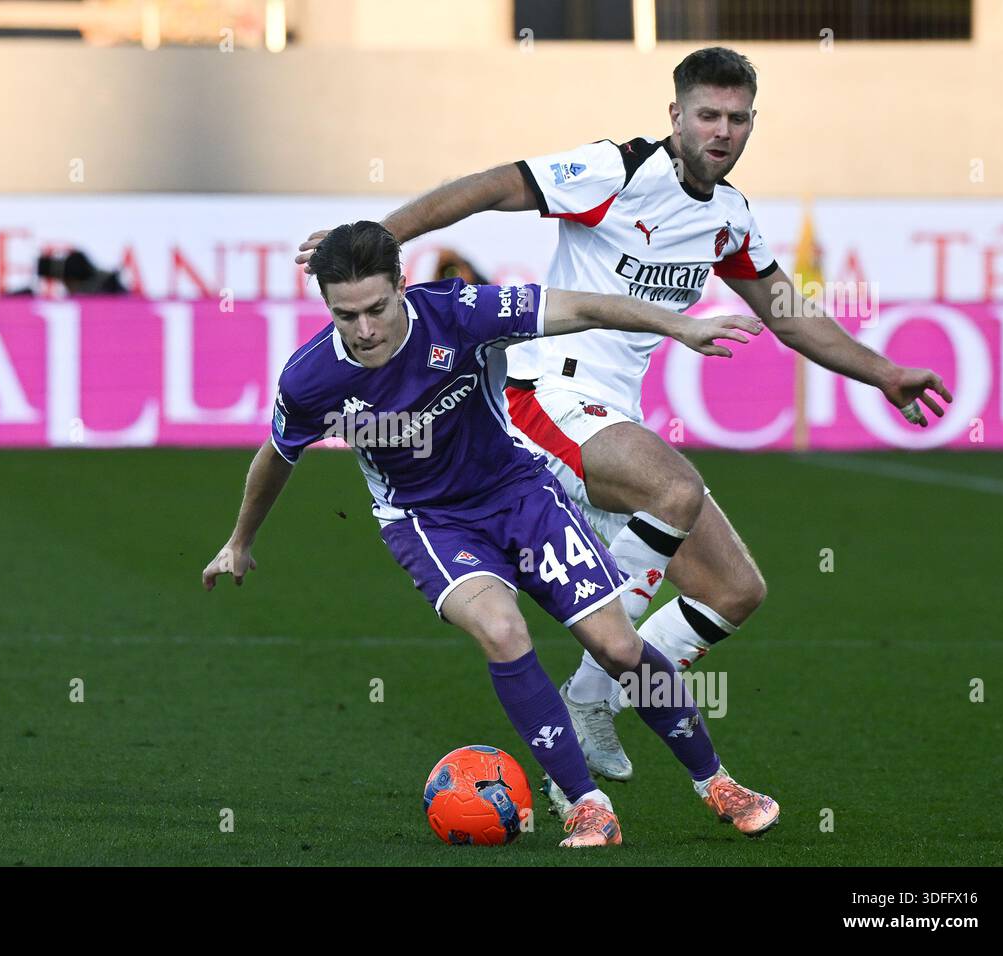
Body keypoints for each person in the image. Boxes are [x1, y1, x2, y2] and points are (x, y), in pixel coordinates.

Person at [296, 47, 952, 800]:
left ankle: (598, 694)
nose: (722, 131)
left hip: (612, 420)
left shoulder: (729, 218)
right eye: (707, 115)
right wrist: (374, 239)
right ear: (676, 115)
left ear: (751, 125)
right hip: (546, 395)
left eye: (737, 119)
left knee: (735, 589)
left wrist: (885, 372)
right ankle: (592, 685)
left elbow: (791, 317)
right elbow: (488, 188)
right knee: (675, 488)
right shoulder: (616, 171)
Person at [204, 221, 779, 846]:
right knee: (503, 631)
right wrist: (240, 539)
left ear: (402, 285)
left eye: (376, 308)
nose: (365, 330)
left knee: (617, 647)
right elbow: (277, 455)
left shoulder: (460, 312)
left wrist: (680, 325)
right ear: (326, 306)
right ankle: (586, 805)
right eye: (347, 316)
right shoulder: (310, 378)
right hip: (428, 521)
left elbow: (582, 306)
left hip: (518, 494)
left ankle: (717, 782)